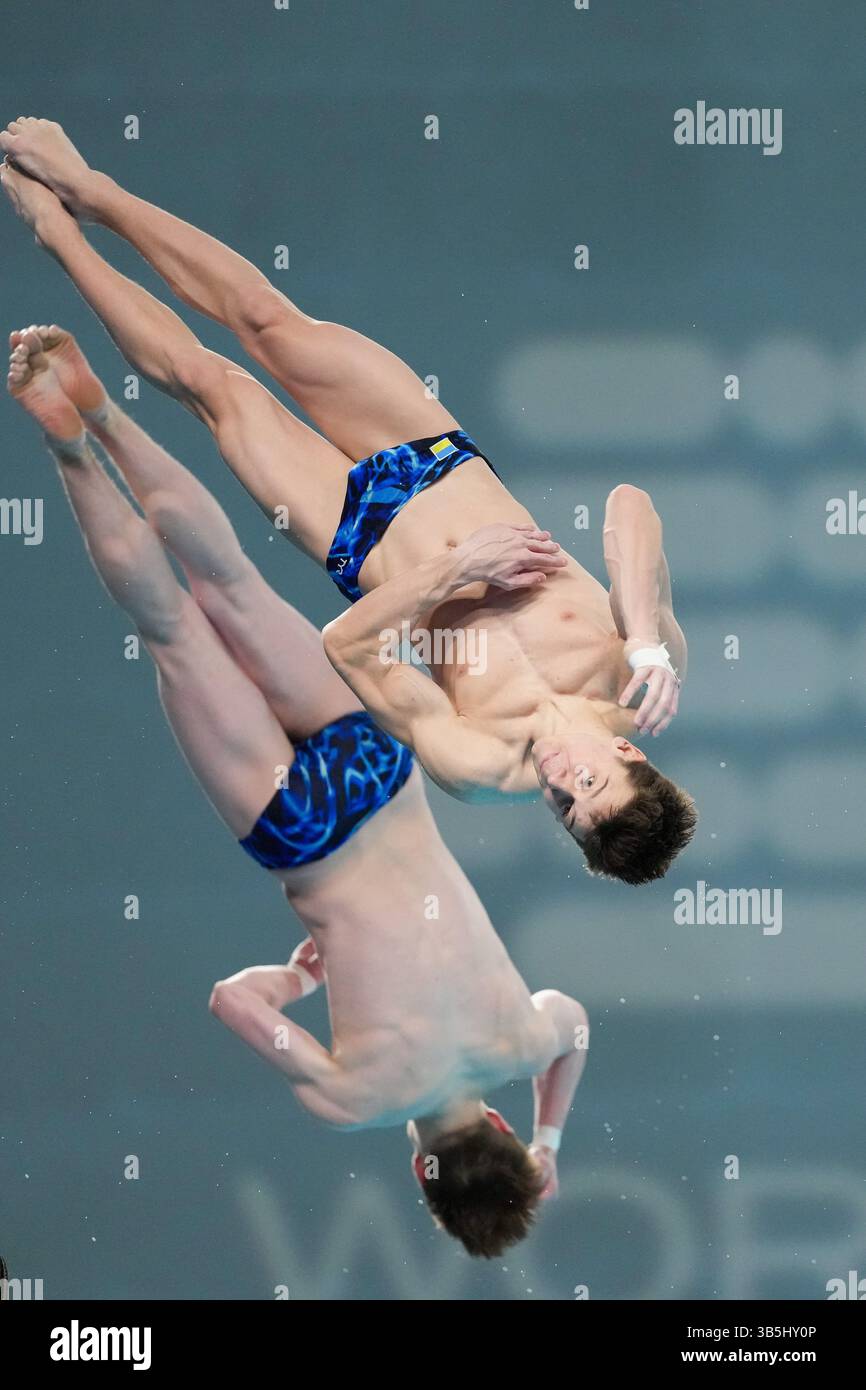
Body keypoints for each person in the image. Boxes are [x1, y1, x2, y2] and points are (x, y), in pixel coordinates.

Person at [7, 324, 589, 1259]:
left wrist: (552, 1140)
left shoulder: (523, 1038)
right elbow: (234, 1003)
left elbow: (575, 1031)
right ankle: (69, 441)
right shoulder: (355, 1100)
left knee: (229, 583)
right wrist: (300, 976)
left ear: (502, 1129)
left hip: (381, 778)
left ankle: (107, 411)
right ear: (421, 1172)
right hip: (304, 834)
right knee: (171, 629)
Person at [0, 118, 696, 883]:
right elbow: (630, 506)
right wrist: (644, 638)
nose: (560, 781)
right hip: (430, 454)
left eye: (564, 808)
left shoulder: (479, 765)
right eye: (588, 781)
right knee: (267, 320)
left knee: (210, 385)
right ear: (627, 751)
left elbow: (346, 645)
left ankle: (56, 235)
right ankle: (92, 191)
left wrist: (459, 567)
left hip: (353, 535)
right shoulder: (642, 673)